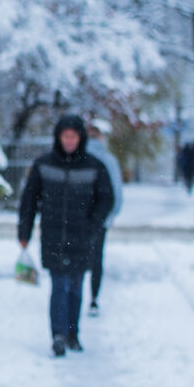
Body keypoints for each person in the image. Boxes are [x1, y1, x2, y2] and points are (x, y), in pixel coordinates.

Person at [18, 114, 115, 357]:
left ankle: (73, 333)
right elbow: (29, 200)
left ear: (80, 138)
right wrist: (24, 231)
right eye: (65, 136)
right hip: (53, 236)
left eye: (73, 136)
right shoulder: (44, 165)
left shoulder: (94, 166)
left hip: (82, 238)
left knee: (75, 286)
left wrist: (93, 225)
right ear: (58, 137)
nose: (69, 141)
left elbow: (106, 199)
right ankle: (59, 335)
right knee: (59, 285)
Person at [85, 118, 122, 317]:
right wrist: (112, 213)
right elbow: (116, 191)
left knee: (78, 258)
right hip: (102, 218)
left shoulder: (78, 157)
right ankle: (93, 298)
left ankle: (77, 296)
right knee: (97, 257)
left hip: (79, 217)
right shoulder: (109, 160)